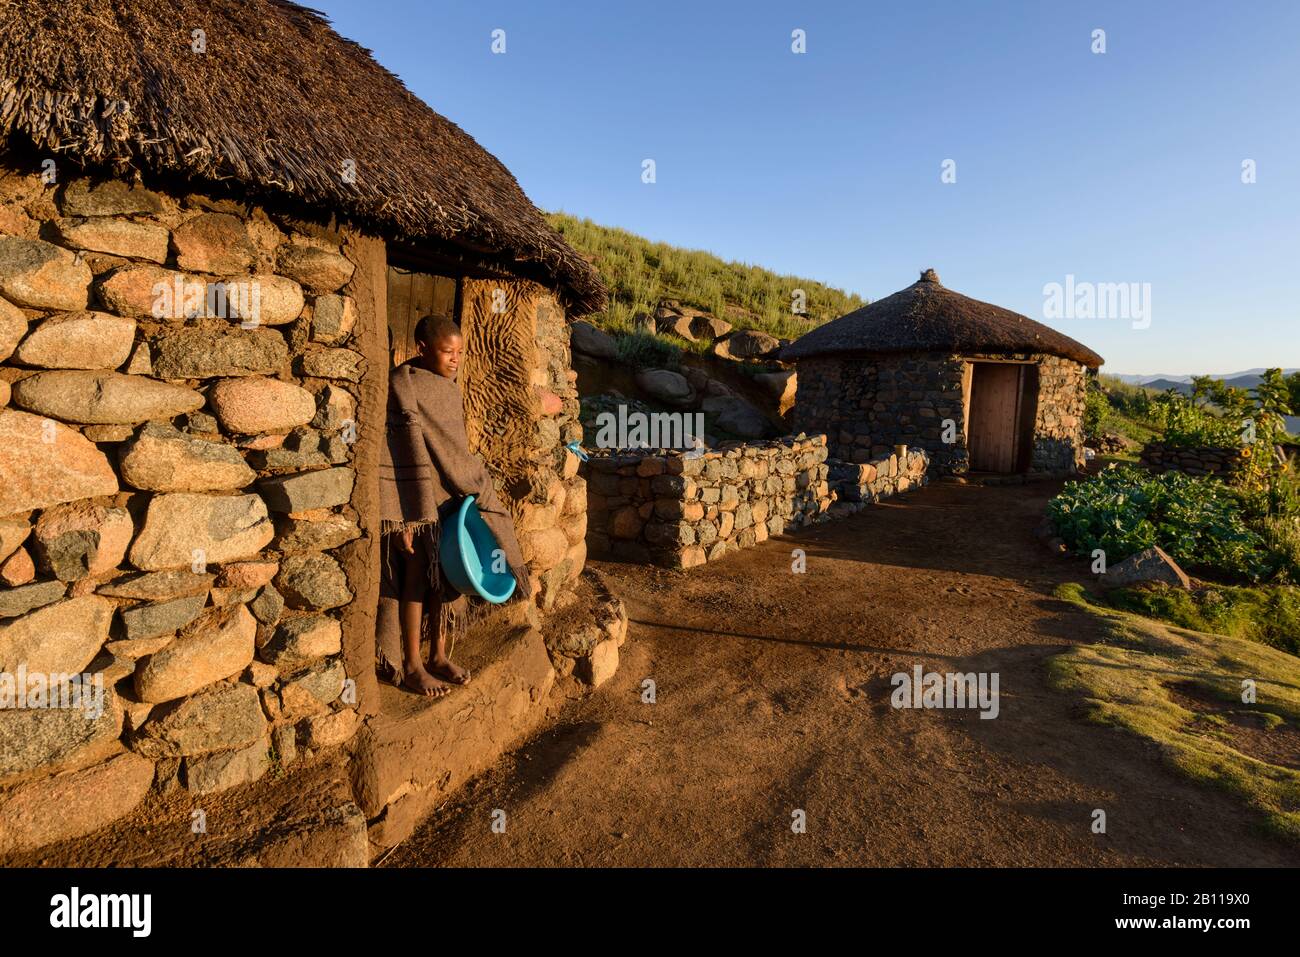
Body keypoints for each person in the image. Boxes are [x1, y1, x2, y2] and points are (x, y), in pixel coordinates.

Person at [376, 315, 532, 698]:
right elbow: (394, 450)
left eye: (460, 352)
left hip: (450, 500)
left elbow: (453, 450)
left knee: (445, 578)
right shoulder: (402, 386)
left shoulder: (449, 389)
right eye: (448, 352)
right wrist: (402, 517)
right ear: (423, 349)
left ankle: (438, 655)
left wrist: (469, 485)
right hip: (414, 503)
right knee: (414, 578)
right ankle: (411, 665)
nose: (455, 359)